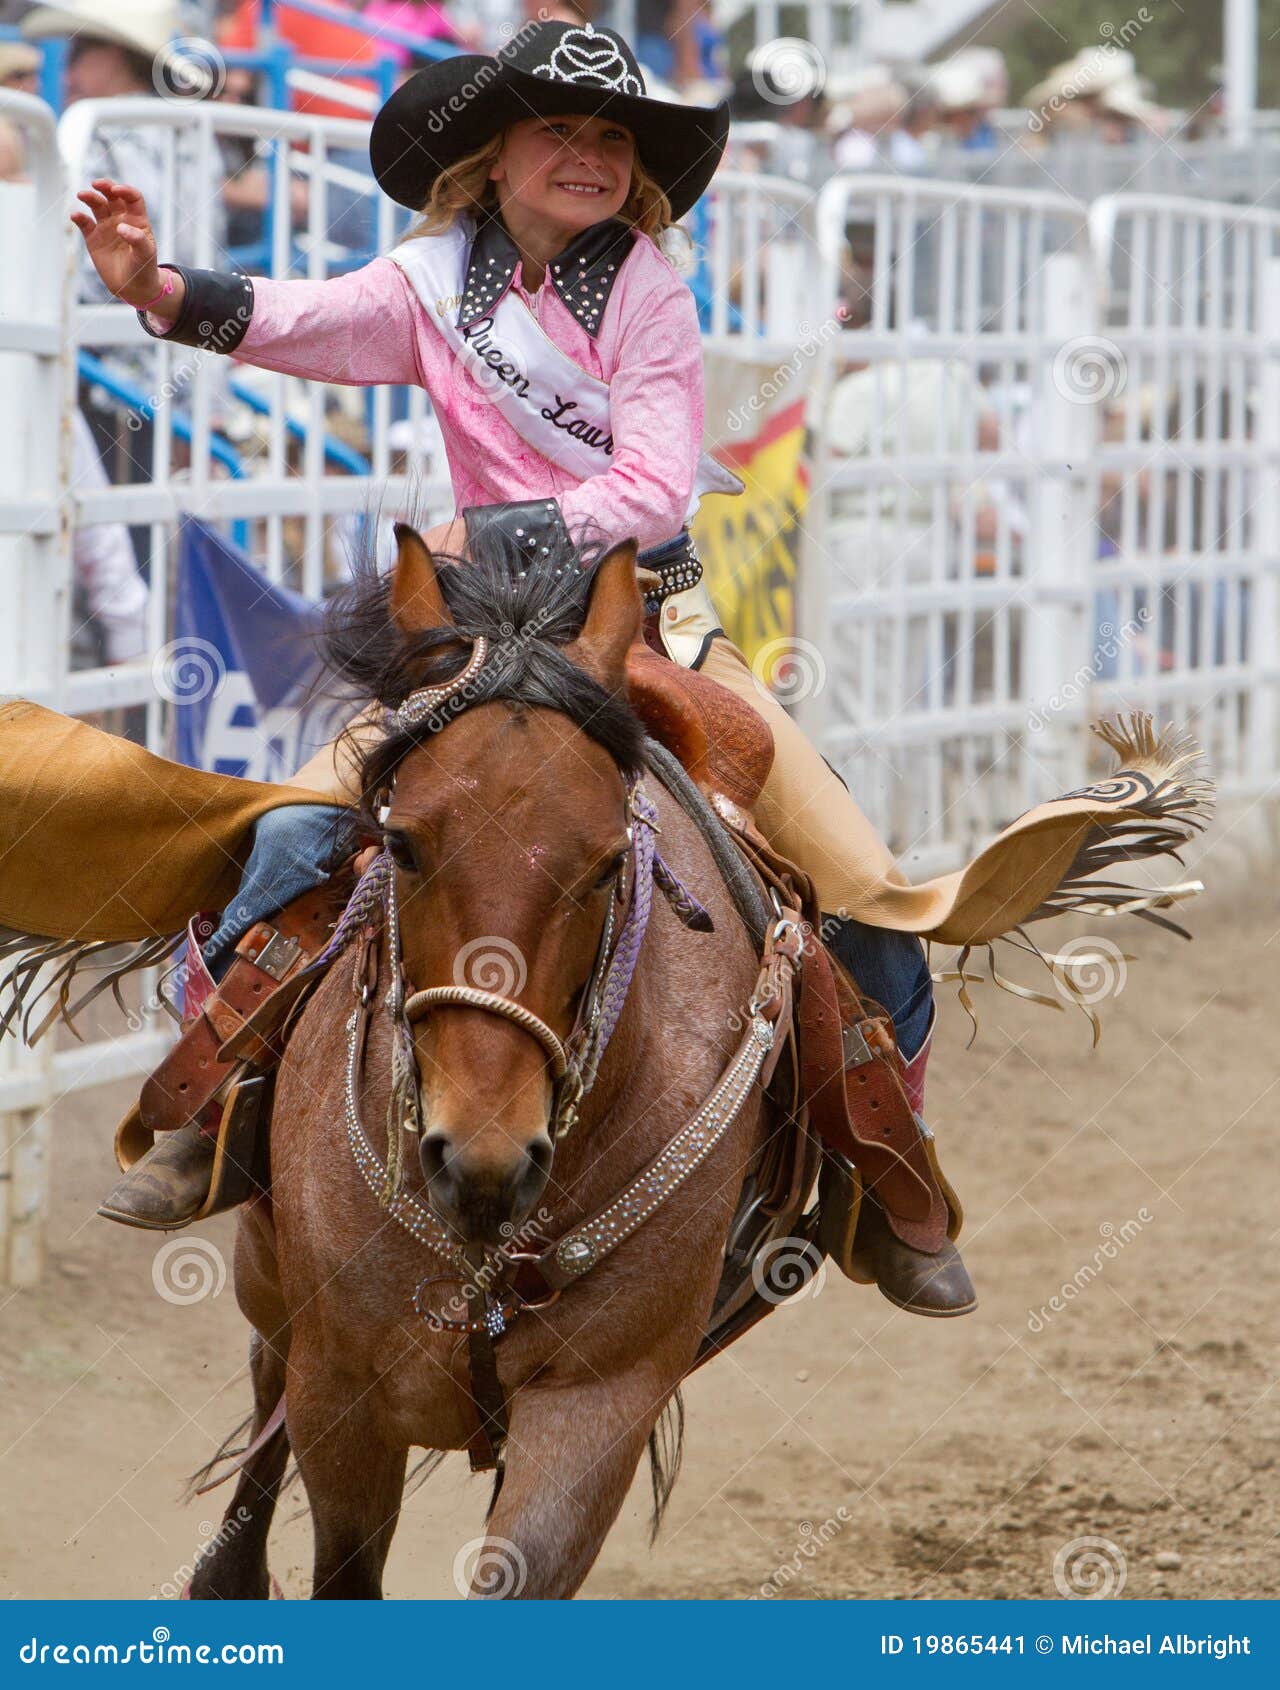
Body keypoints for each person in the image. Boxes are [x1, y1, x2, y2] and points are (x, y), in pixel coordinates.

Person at [55, 20, 1206, 1312]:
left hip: (647, 629)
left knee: (866, 894)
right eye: (559, 129)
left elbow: (656, 486)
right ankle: (215, 1118)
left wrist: (482, 531)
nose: (589, 156)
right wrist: (150, 286)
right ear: (493, 158)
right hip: (481, 637)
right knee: (290, 841)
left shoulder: (649, 287)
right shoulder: (432, 278)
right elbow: (299, 319)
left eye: (612, 137)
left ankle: (889, 1185)